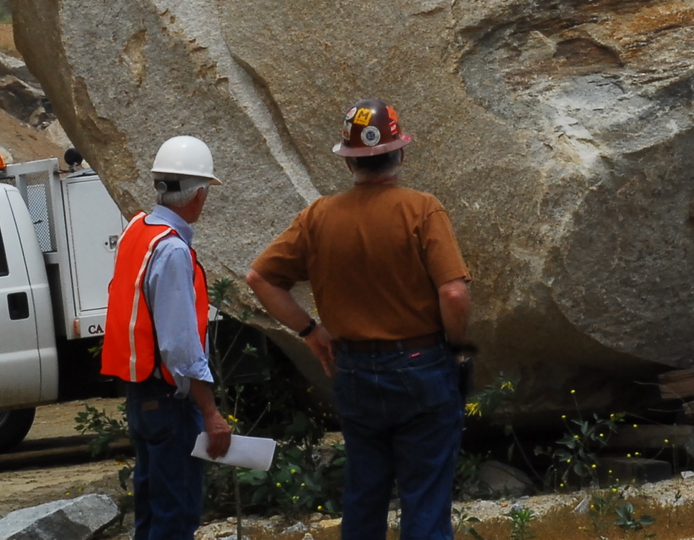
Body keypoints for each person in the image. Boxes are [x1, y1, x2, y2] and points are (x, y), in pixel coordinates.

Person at [246, 101, 473, 540]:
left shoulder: (318, 217)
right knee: (425, 497)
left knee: (364, 495)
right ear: (400, 153)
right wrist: (457, 346)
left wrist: (311, 331)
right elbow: (454, 292)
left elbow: (260, 278)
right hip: (421, 366)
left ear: (349, 161)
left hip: (353, 371)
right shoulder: (422, 210)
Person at [103, 135, 233, 540]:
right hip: (169, 403)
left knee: (151, 515)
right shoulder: (173, 250)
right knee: (175, 518)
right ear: (199, 195)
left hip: (142, 396)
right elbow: (179, 347)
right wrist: (210, 410)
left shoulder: (137, 231)